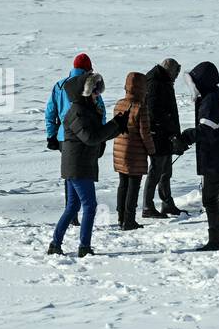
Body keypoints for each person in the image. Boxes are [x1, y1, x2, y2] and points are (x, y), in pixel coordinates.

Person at [47, 73, 127, 257]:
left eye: (99, 90)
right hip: (78, 165)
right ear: (85, 91)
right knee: (89, 206)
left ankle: (55, 243)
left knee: (73, 207)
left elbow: (98, 133)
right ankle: (84, 246)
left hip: (78, 164)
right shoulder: (77, 112)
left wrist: (119, 125)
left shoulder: (87, 109)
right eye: (95, 90)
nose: (98, 94)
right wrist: (115, 124)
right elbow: (91, 138)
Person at [181, 61, 219, 251]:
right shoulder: (218, 96)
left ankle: (216, 241)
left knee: (210, 200)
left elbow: (206, 131)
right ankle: (216, 239)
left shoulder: (211, 100)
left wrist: (187, 136)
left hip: (215, 159)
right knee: (211, 199)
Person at [45, 53, 106, 220]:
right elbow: (101, 110)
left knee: (69, 173)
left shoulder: (59, 86)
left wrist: (51, 135)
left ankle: (71, 212)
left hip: (64, 137)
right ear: (88, 69)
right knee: (84, 171)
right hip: (87, 135)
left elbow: (50, 112)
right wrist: (102, 136)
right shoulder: (91, 84)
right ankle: (81, 209)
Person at [112, 72, 155, 230]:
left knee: (122, 184)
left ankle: (120, 217)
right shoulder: (140, 107)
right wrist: (152, 151)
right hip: (134, 152)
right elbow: (145, 132)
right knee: (133, 185)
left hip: (119, 150)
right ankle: (129, 220)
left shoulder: (119, 104)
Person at [142, 58, 183, 219]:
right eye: (176, 73)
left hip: (164, 134)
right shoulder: (155, 82)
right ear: (170, 70)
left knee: (166, 170)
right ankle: (147, 205)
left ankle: (167, 203)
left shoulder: (162, 80)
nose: (176, 77)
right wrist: (169, 126)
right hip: (157, 134)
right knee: (156, 170)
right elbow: (153, 110)